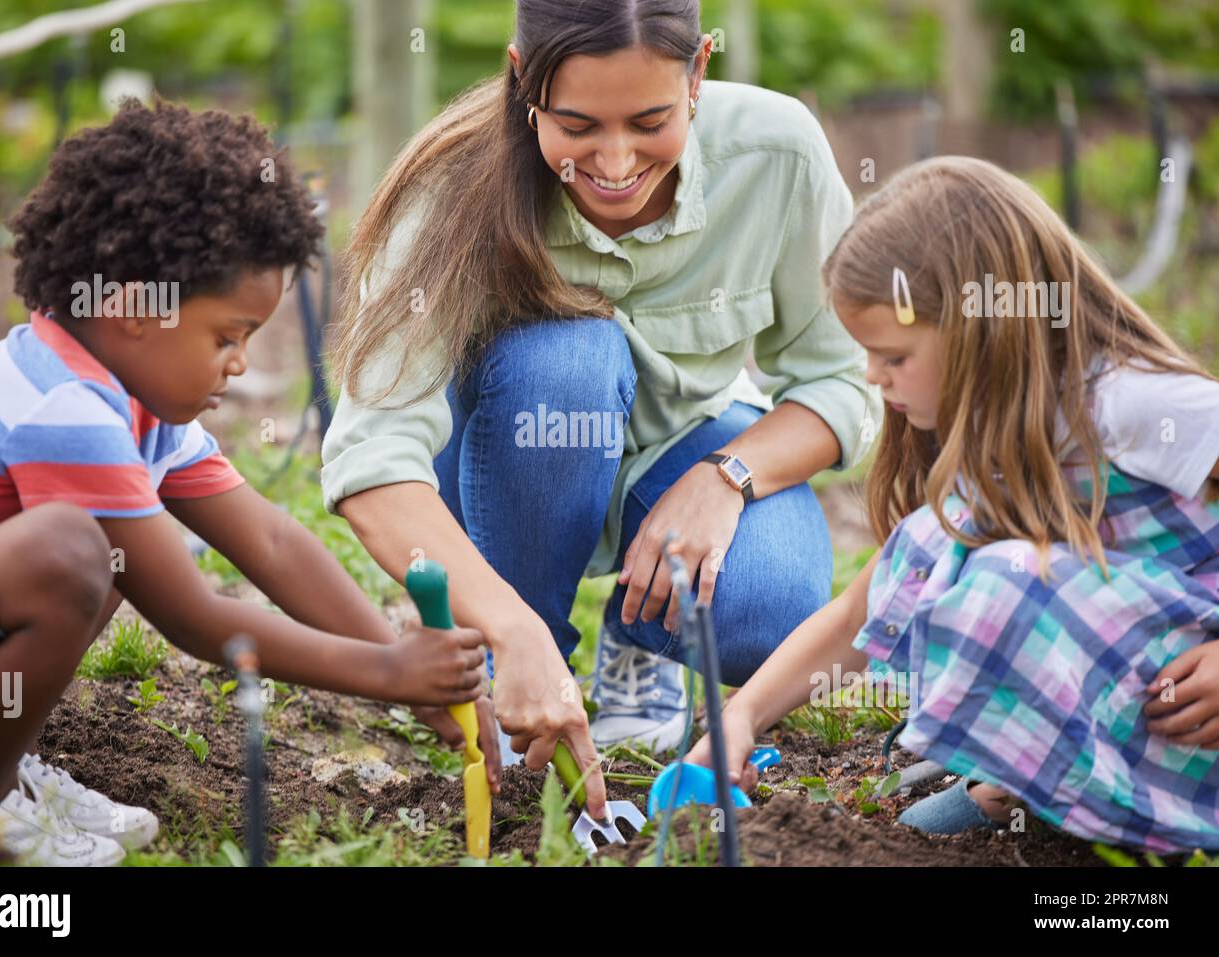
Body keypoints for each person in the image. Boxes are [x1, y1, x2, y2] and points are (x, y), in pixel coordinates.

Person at [320, 0, 879, 817]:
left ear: (698, 72)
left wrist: (726, 477)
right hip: (498, 455)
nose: (614, 162)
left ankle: (634, 637)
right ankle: (525, 653)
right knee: (571, 360)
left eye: (648, 120)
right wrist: (515, 635)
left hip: (683, 443)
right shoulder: (451, 188)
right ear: (524, 81)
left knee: (773, 608)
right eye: (577, 126)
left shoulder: (777, 153)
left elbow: (843, 379)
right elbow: (372, 461)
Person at [0, 99, 498, 866]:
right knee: (72, 549)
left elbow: (270, 539)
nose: (240, 363)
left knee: (124, 544)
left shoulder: (127, 401)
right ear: (132, 308)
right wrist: (387, 672)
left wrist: (408, 665)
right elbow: (193, 618)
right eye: (226, 336)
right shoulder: (62, 408)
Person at [690, 156, 1219, 852]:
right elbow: (861, 607)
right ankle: (1037, 784)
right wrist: (741, 716)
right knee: (932, 542)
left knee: (1002, 580)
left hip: (1196, 708)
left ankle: (1075, 791)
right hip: (1153, 693)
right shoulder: (997, 434)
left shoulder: (1134, 403)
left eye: (895, 357)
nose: (876, 380)